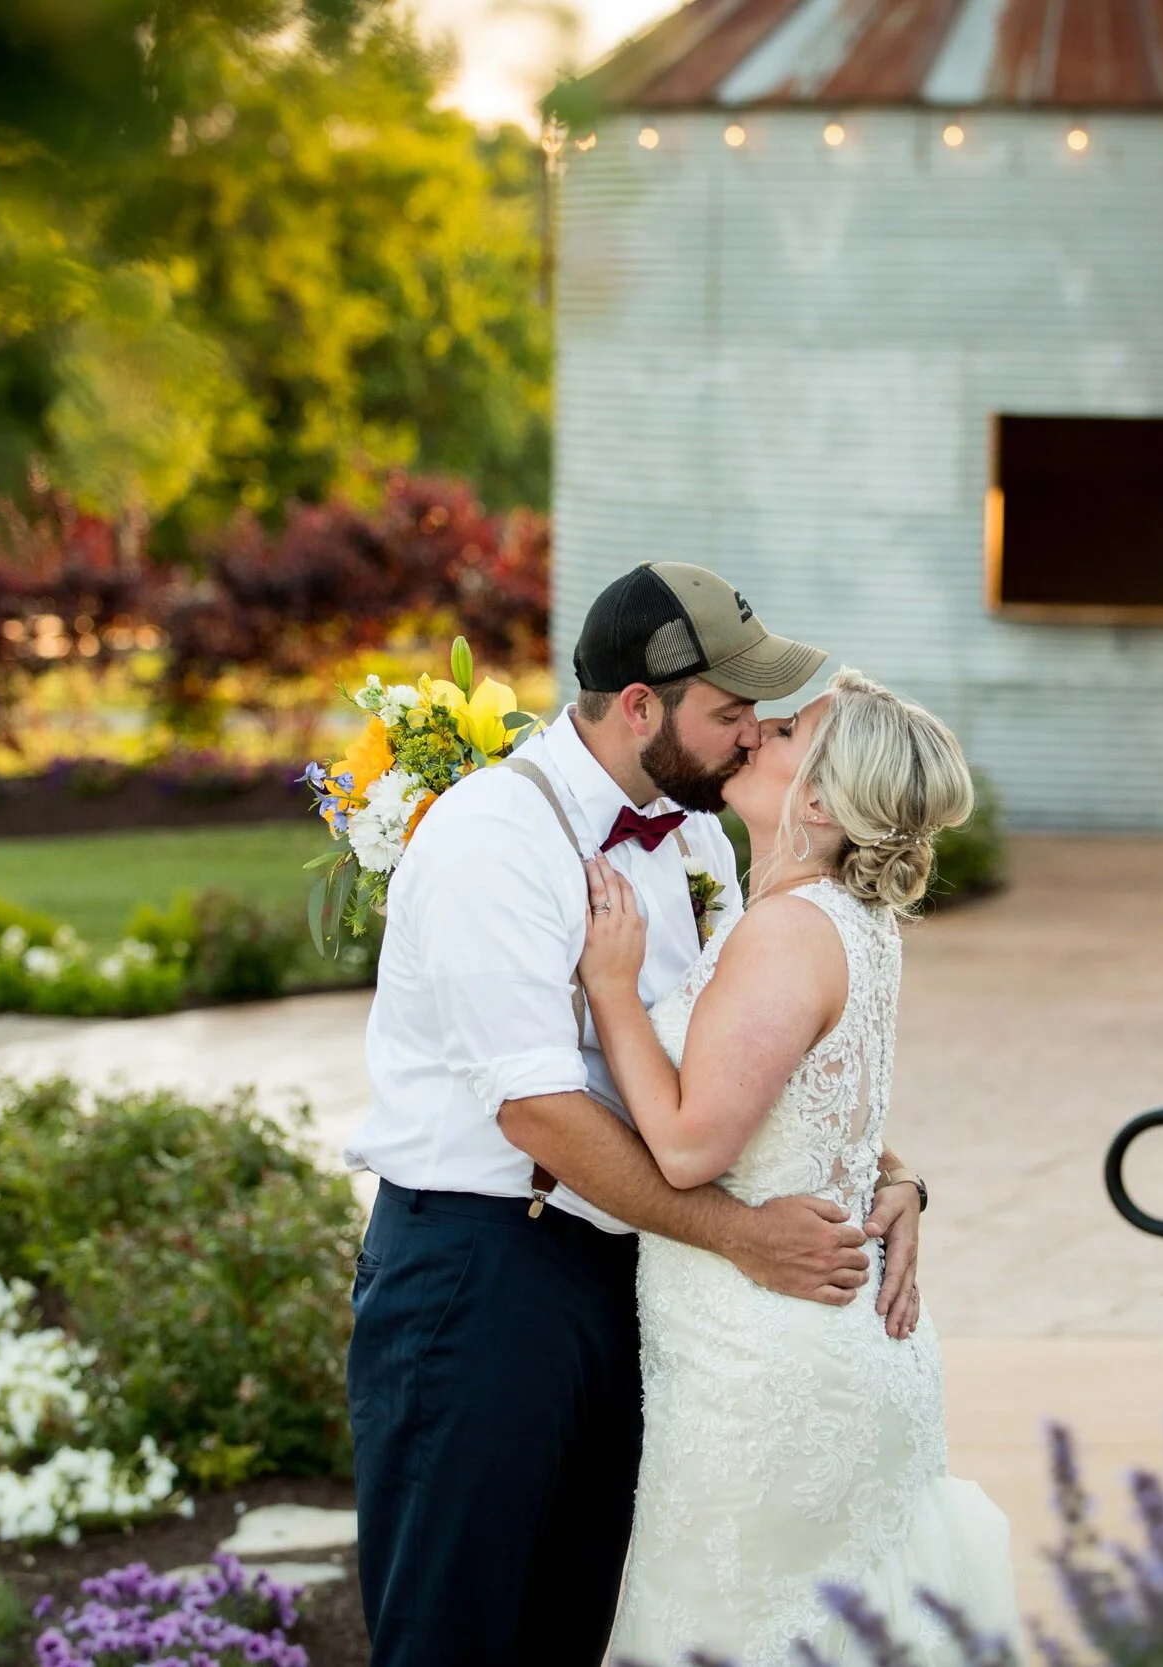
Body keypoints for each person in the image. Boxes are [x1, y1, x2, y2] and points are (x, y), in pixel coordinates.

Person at [345, 563, 933, 1667]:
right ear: (639, 706)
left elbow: (752, 1062)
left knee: (575, 1625)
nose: (751, 732)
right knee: (453, 1629)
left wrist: (889, 1173)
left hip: (634, 1270)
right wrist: (742, 1234)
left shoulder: (697, 835)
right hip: (484, 1274)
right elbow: (539, 1112)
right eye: (730, 710)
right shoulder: (494, 838)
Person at [583, 666, 1021, 1663]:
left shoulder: (786, 930)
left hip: (766, 1362)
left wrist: (611, 987)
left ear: (818, 802)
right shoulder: (843, 917)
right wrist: (898, 1177)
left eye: (781, 734)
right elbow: (826, 1109)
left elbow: (688, 1147)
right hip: (819, 1338)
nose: (752, 733)